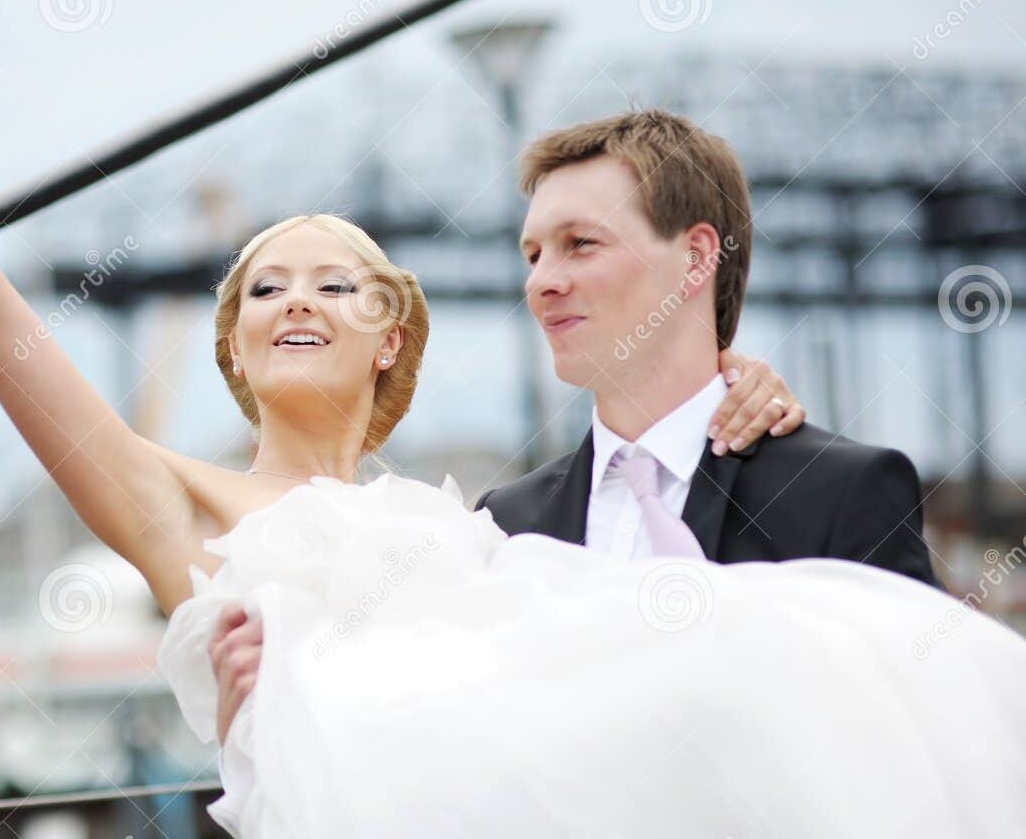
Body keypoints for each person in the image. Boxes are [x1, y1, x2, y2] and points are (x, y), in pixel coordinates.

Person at [0, 6, 1026, 839]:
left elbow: (629, 648)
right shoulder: (183, 510)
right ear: (235, 342)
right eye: (265, 285)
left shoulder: (477, 526)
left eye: (337, 279)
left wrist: (736, 372)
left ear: (397, 335)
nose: (296, 298)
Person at [210, 109, 941, 744]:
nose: (541, 281)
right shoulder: (504, 527)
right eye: (532, 253)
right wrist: (303, 663)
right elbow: (450, 723)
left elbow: (926, 741)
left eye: (579, 244)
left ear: (695, 258)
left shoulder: (843, 492)